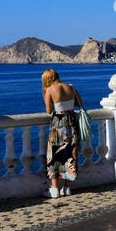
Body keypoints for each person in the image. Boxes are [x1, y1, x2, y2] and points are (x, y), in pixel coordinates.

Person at [42, 69, 84, 198]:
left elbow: (49, 110)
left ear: (47, 79)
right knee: (70, 154)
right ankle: (67, 188)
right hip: (71, 121)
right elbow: (80, 104)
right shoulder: (70, 87)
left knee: (55, 155)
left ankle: (54, 189)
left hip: (58, 124)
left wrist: (46, 94)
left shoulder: (50, 89)